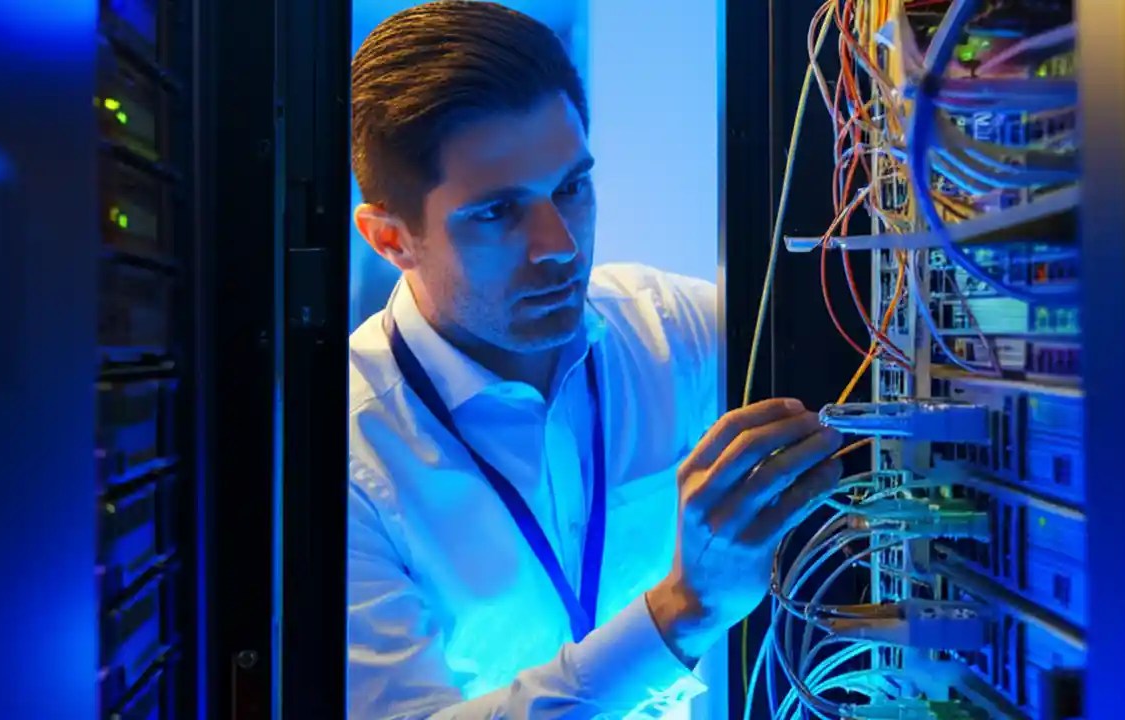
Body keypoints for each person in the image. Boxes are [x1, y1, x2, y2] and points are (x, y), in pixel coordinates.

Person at [347, 2, 844, 717]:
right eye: (496, 212)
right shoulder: (348, 456)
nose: (560, 246)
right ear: (390, 239)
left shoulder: (684, 334)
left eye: (571, 188)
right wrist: (682, 612)